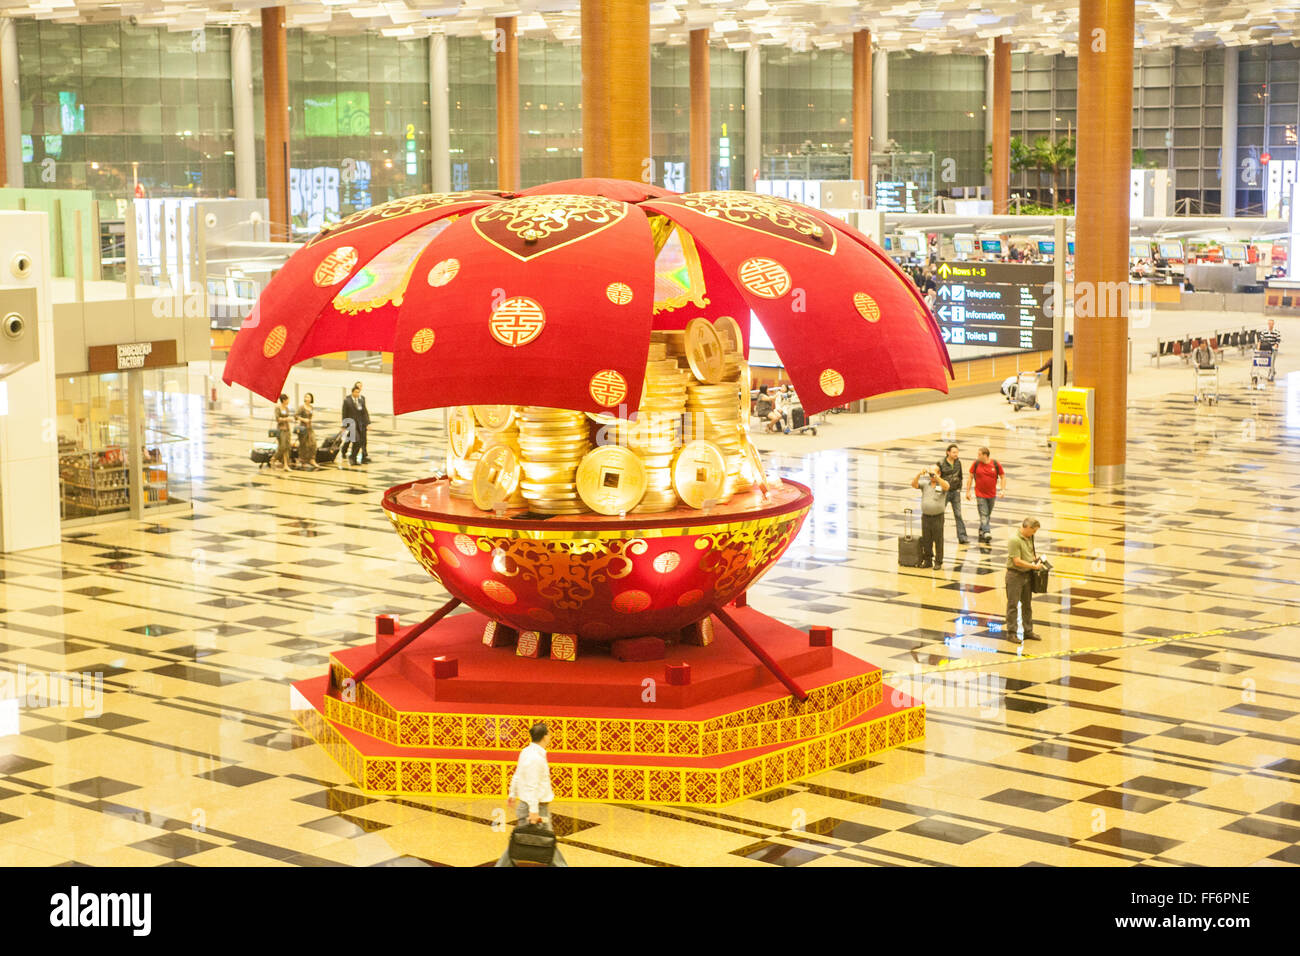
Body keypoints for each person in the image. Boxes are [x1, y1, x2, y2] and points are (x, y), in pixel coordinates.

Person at [496, 722, 568, 867]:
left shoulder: (526, 752)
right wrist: (534, 811)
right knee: (546, 841)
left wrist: (512, 793)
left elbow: (517, 774)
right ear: (545, 736)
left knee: (525, 840)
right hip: (536, 808)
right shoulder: (536, 758)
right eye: (549, 733)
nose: (550, 736)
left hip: (531, 806)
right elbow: (532, 786)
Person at [1005, 518, 1045, 643]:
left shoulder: (1029, 538)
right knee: (1013, 605)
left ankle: (1028, 631)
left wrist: (1036, 559)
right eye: (1033, 531)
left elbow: (1029, 555)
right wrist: (1034, 566)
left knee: (1027, 605)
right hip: (1015, 576)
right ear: (1027, 527)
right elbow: (1016, 561)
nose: (1034, 534)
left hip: (1027, 575)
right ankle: (1011, 633)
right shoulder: (1014, 540)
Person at [910, 465, 950, 569]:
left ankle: (938, 561)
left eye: (933, 474)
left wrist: (937, 478)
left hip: (938, 517)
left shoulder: (941, 483)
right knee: (926, 539)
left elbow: (946, 487)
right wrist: (919, 474)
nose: (931, 476)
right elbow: (913, 485)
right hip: (926, 517)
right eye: (930, 474)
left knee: (938, 539)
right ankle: (927, 560)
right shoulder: (925, 484)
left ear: (939, 473)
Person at [966, 447, 1006, 544]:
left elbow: (1002, 477)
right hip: (980, 494)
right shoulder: (976, 464)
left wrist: (1002, 489)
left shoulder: (995, 464)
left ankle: (982, 529)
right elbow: (970, 477)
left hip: (992, 494)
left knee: (987, 514)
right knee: (984, 513)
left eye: (979, 454)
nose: (978, 456)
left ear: (985, 455)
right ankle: (987, 532)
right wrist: (968, 491)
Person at [936, 443, 969, 545]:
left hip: (955, 492)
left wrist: (959, 489)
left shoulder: (958, 462)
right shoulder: (940, 463)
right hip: (944, 492)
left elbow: (960, 476)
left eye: (957, 452)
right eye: (954, 452)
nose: (956, 454)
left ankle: (962, 537)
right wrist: (937, 492)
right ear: (948, 452)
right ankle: (937, 536)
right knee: (940, 515)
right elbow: (936, 479)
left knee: (958, 515)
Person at [342, 382, 371, 465]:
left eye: (358, 392)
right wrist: (344, 425)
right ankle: (351, 456)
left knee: (360, 441)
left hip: (360, 424)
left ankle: (353, 457)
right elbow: (344, 413)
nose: (357, 394)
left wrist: (367, 423)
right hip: (351, 425)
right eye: (356, 392)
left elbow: (364, 411)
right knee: (356, 441)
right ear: (352, 392)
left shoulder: (361, 400)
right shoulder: (347, 401)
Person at [295, 392, 321, 471]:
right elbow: (296, 416)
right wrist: (303, 419)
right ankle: (303, 460)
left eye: (309, 397)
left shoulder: (311, 408)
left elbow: (311, 416)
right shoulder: (301, 407)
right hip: (303, 428)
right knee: (303, 445)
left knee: (313, 443)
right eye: (306, 397)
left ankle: (312, 459)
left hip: (310, 428)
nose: (307, 398)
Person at [272, 393, 293, 470]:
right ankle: (274, 458)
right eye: (287, 400)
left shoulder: (287, 408)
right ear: (284, 400)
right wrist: (285, 419)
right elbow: (277, 419)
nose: (288, 401)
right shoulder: (278, 408)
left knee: (287, 447)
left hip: (287, 429)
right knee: (282, 446)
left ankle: (286, 465)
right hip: (280, 430)